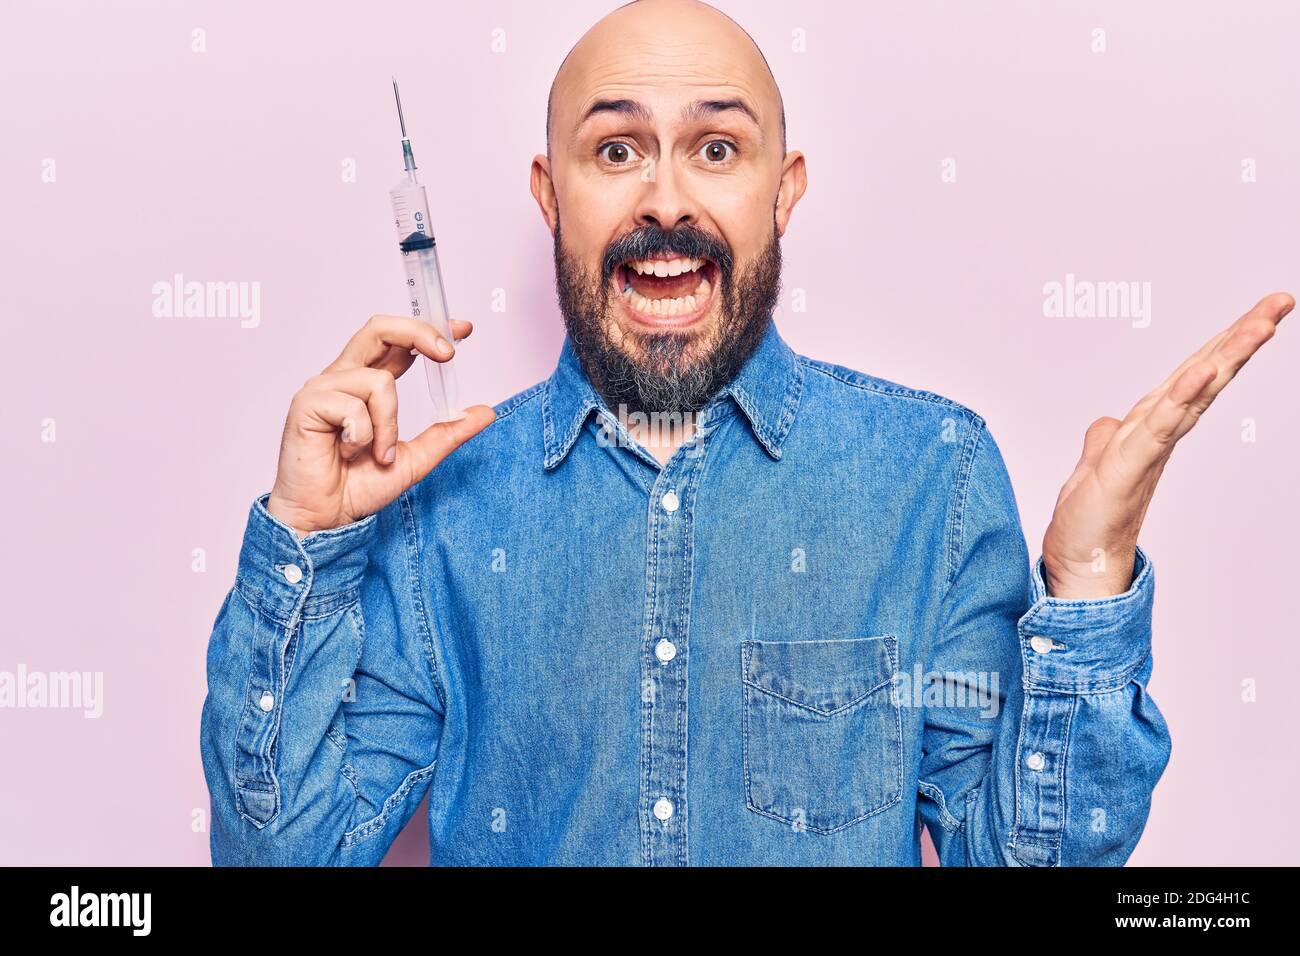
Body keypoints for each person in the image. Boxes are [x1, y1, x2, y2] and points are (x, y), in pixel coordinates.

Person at [199, 0, 1291, 866]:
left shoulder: (932, 477)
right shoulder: (439, 501)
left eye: (717, 149)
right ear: (549, 194)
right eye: (615, 150)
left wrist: (1089, 579)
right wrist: (303, 539)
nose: (665, 199)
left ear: (784, 190)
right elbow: (276, 854)